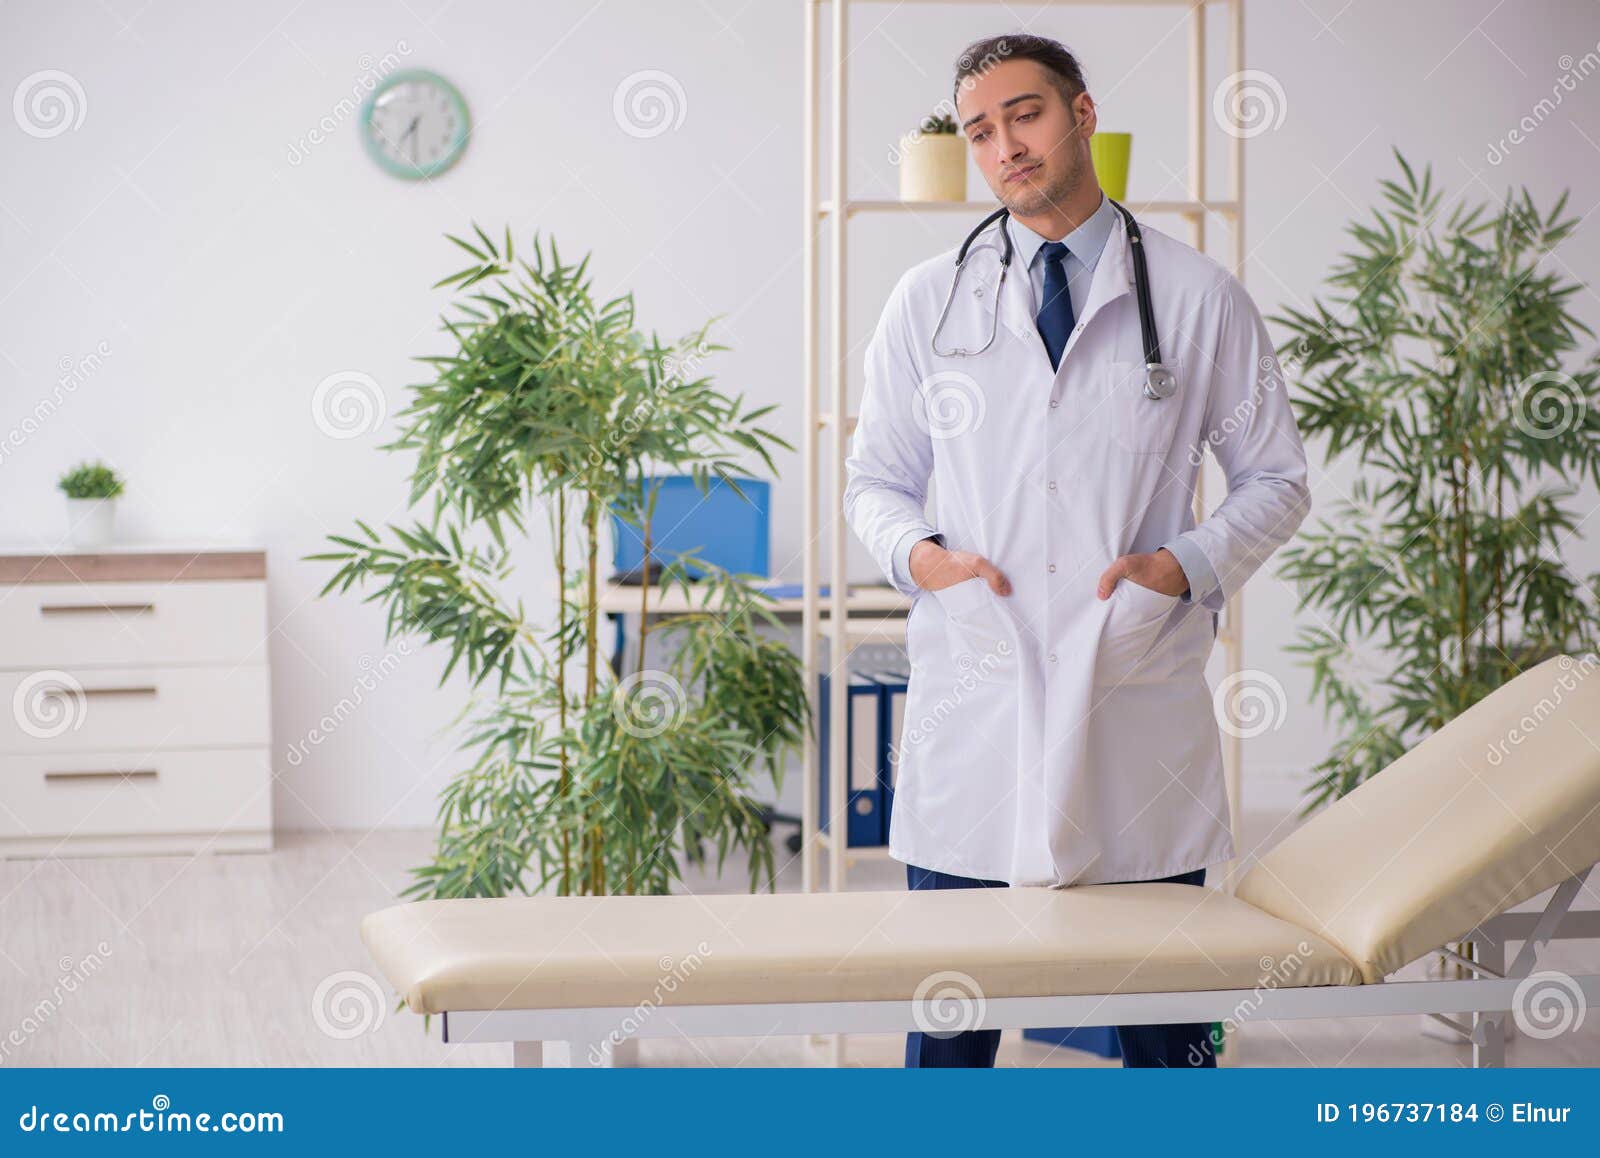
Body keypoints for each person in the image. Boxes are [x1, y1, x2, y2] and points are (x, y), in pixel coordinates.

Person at [842, 32, 1311, 1068]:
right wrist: (924, 561)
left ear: (1082, 115)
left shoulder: (1195, 297)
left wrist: (1179, 567)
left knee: (1168, 1037)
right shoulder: (929, 302)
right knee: (951, 1041)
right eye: (977, 130)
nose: (1003, 145)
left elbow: (1276, 479)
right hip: (978, 697)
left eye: (1024, 114)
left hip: (1131, 702)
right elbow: (873, 483)